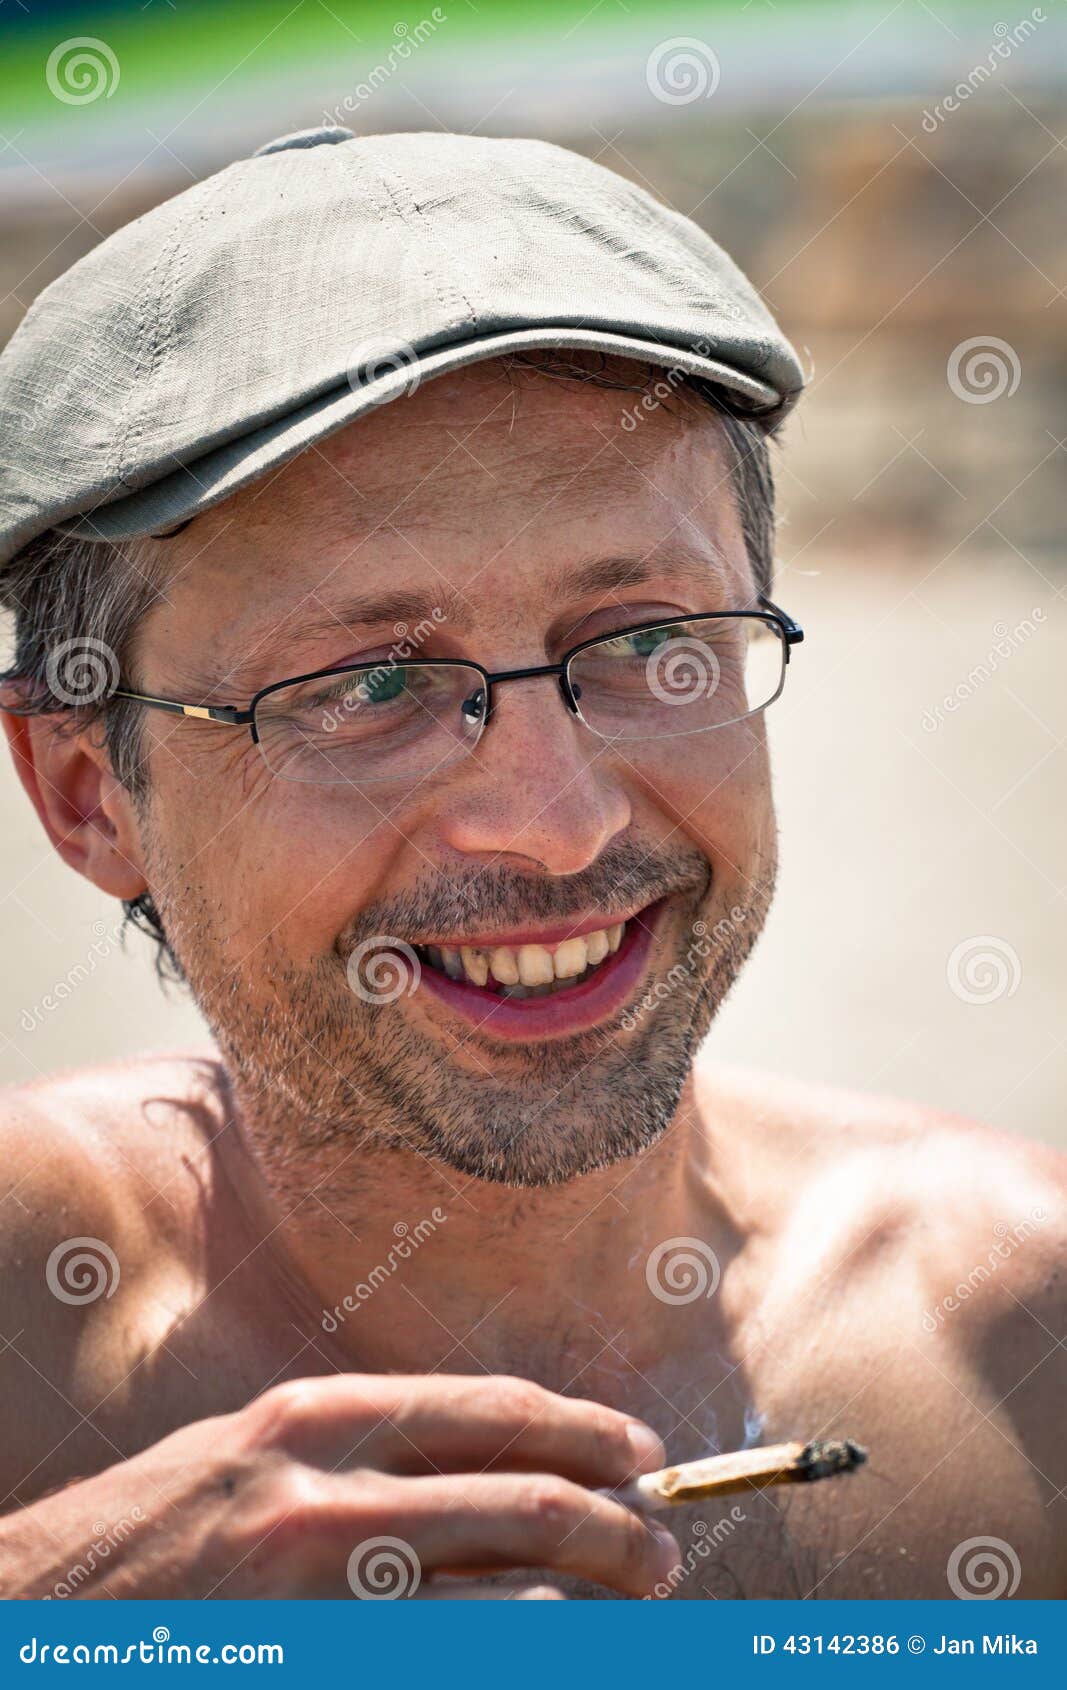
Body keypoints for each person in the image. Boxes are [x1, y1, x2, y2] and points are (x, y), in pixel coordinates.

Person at [0, 129, 1062, 1602]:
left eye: (640, 644)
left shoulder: (1021, 1345)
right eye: (372, 683)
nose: (560, 824)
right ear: (83, 792)